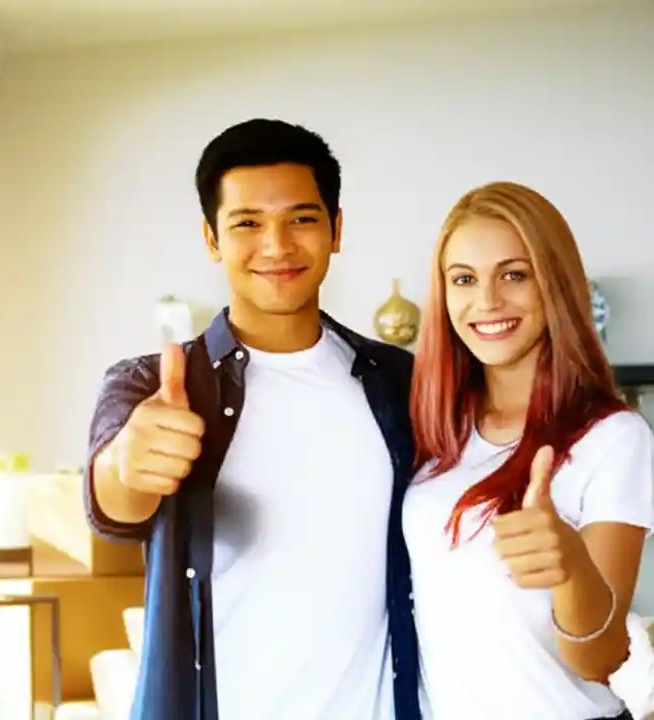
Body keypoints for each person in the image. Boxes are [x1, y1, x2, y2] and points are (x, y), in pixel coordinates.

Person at [82, 118, 421, 720]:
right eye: (247, 224)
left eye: (302, 218)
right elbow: (113, 503)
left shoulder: (399, 380)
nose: (277, 246)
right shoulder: (149, 384)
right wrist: (130, 464)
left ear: (336, 229)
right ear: (211, 238)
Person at [405, 181, 654, 719]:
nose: (487, 301)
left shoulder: (613, 436)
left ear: (555, 284)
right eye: (464, 279)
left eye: (514, 274)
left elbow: (600, 658)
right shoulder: (431, 434)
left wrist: (571, 565)